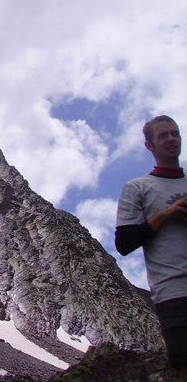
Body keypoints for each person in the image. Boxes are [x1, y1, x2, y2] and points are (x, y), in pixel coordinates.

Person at [116, 115, 187, 381]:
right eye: (163, 135)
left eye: (175, 133)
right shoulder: (137, 188)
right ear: (150, 146)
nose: (171, 139)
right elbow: (124, 243)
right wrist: (166, 214)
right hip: (174, 292)